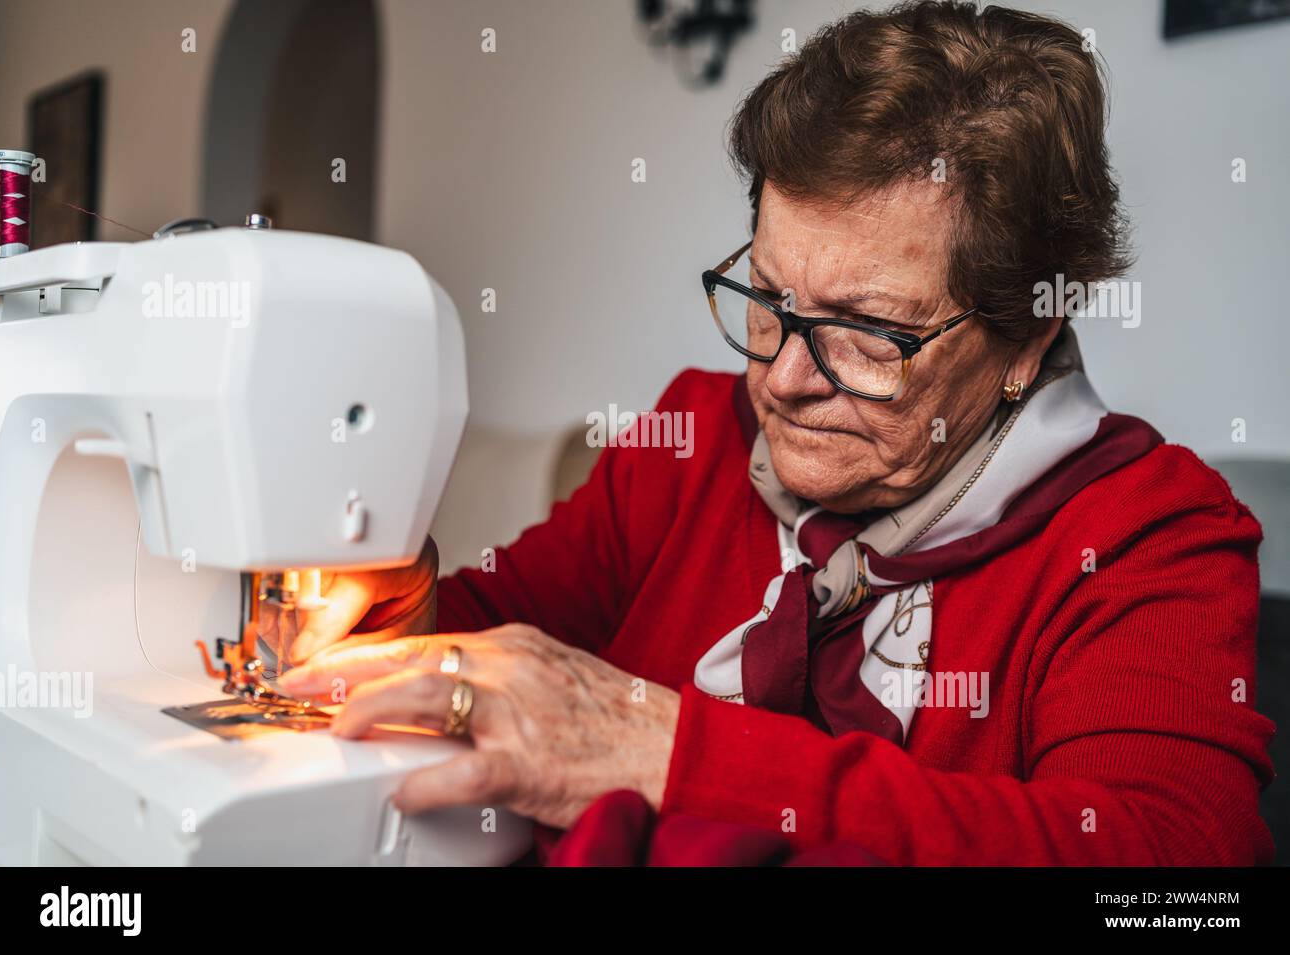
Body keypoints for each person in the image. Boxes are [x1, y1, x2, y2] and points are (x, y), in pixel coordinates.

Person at [276, 0, 1275, 865]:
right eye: (767, 300)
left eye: (869, 334)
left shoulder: (1151, 534)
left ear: (1027, 336)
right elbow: (491, 628)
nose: (784, 379)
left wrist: (667, 752)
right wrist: (384, 595)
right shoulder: (688, 438)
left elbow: (1170, 873)